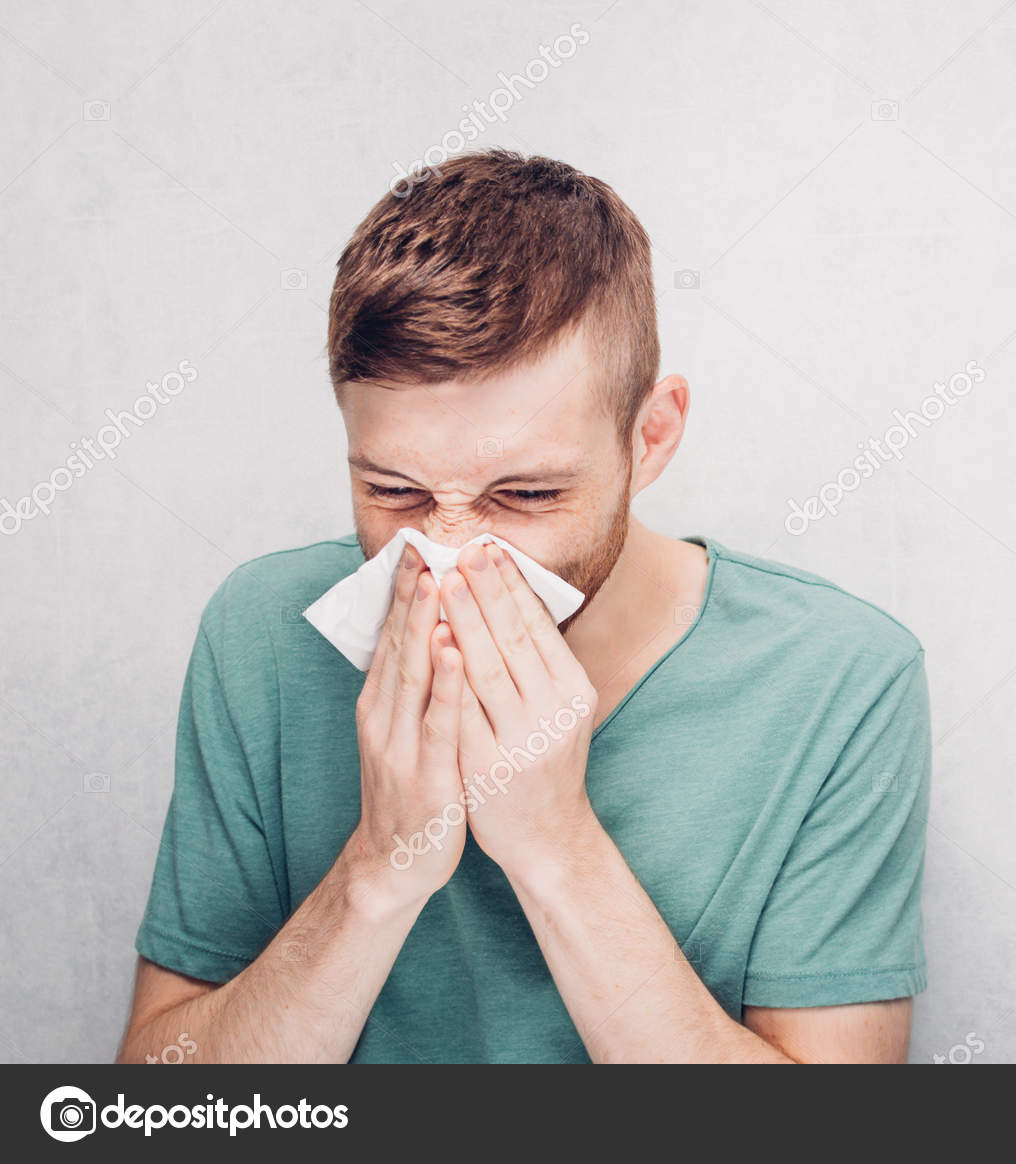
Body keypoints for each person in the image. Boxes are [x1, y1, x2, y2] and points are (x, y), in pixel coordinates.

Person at [117, 150, 931, 1063]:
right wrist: (380, 870)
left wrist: (555, 848)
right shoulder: (262, 635)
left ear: (650, 435)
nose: (453, 554)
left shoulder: (841, 679)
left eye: (527, 496)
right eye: (393, 491)